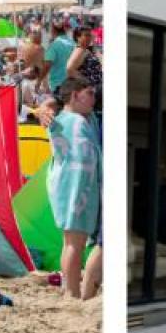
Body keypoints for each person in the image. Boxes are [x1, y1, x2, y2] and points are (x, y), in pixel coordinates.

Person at [46, 78, 101, 301]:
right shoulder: (72, 121)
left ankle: (70, 290)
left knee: (71, 243)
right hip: (76, 188)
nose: (93, 99)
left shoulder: (66, 120)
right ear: (75, 95)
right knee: (74, 244)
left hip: (71, 187)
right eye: (89, 93)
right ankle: (71, 291)